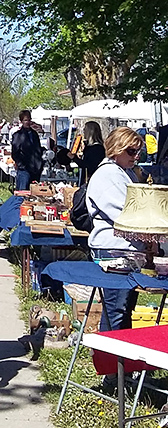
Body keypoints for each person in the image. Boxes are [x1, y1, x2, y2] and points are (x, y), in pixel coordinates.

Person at [86, 126, 144, 333]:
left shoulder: (125, 173)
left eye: (138, 152)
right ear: (116, 148)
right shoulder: (108, 175)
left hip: (127, 250)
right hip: (113, 251)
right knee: (116, 312)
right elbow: (125, 215)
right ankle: (111, 362)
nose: (136, 156)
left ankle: (119, 362)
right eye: (131, 151)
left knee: (123, 311)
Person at [10, 109, 43, 189]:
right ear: (21, 121)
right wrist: (21, 164)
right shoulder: (17, 135)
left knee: (35, 194)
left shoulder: (34, 134)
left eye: (29, 120)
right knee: (22, 194)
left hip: (36, 169)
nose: (28, 122)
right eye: (25, 120)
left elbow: (38, 149)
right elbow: (15, 153)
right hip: (24, 170)